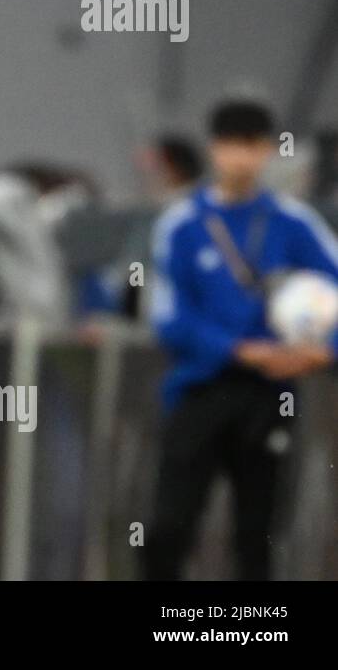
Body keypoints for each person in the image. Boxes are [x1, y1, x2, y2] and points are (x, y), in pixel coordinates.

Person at [146, 99, 338, 580]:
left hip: (270, 395)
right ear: (215, 150)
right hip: (201, 389)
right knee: (169, 526)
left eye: (253, 146)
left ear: (268, 151)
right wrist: (235, 349)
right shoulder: (182, 225)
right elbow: (167, 315)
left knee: (259, 533)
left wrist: (321, 352)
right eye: (231, 145)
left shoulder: (293, 223)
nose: (241, 158)